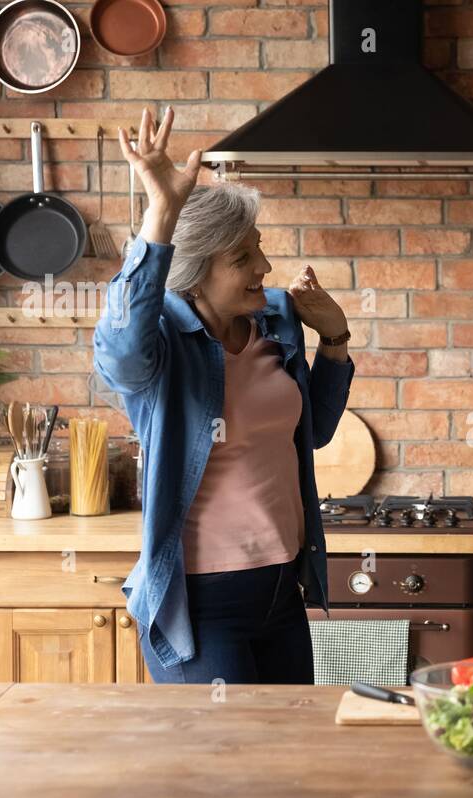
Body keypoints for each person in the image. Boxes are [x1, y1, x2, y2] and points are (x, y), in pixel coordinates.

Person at [93, 107, 355, 683]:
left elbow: (312, 434)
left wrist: (334, 339)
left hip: (284, 589)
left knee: (289, 763)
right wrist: (161, 211)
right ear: (194, 274)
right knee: (222, 770)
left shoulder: (277, 320)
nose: (265, 265)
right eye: (242, 259)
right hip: (203, 601)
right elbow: (119, 354)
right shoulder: (160, 340)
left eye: (258, 247)